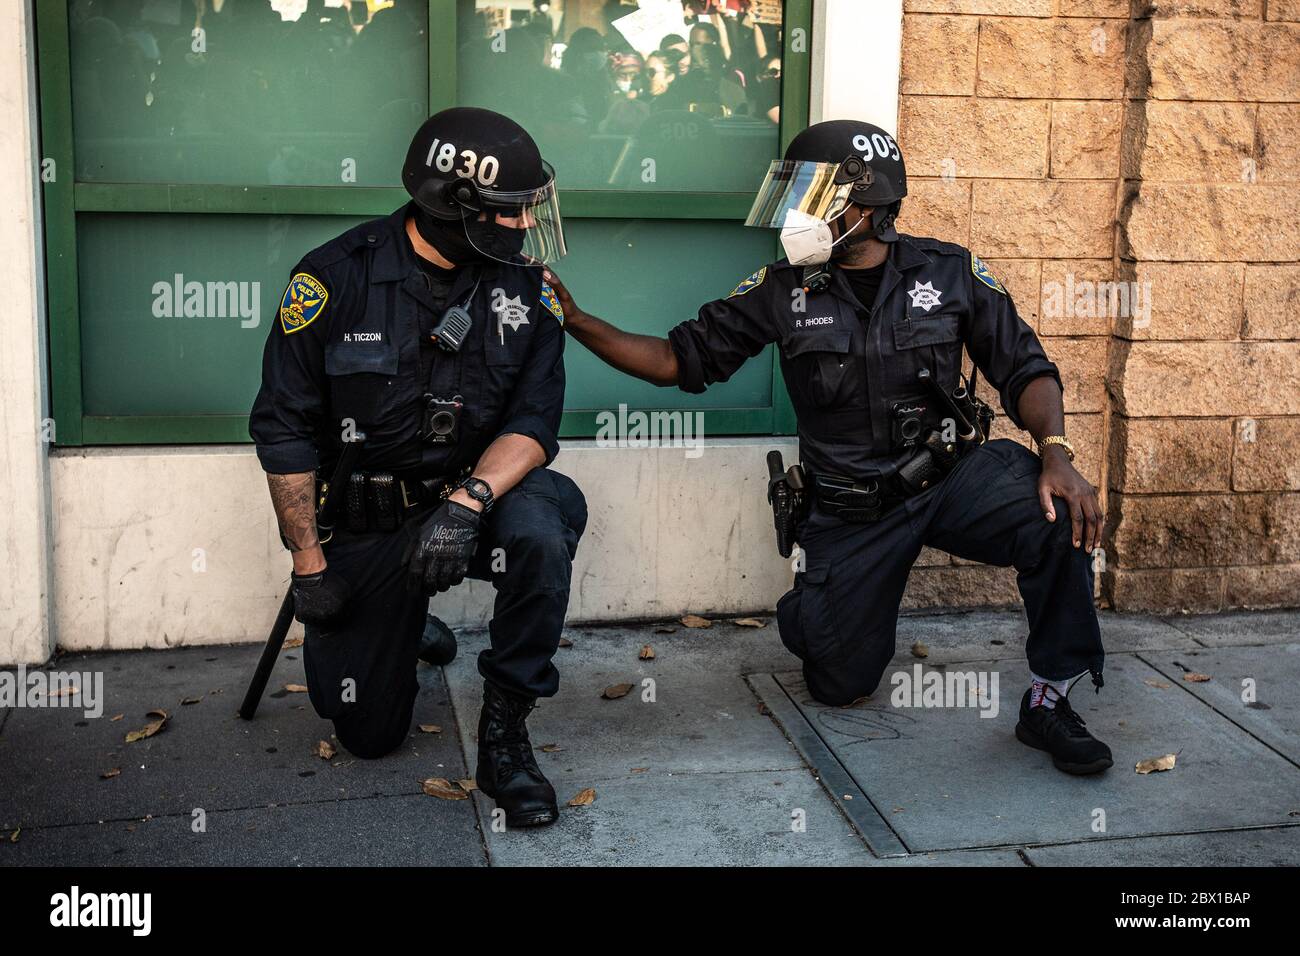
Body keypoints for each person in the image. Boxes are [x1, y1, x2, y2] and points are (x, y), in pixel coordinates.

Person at [544, 120, 1113, 776]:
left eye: (812, 198)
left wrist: (1057, 454)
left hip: (952, 476)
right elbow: (678, 359)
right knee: (838, 682)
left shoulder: (949, 272)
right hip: (854, 506)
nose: (795, 213)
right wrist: (579, 320)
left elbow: (1025, 367)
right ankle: (817, 601)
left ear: (865, 210)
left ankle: (1051, 699)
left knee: (1058, 515)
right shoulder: (782, 290)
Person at [249, 108, 587, 825]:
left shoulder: (526, 289)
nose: (524, 226)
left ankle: (506, 731)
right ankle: (401, 627)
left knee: (544, 525)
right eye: (508, 212)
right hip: (369, 518)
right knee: (367, 734)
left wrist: (468, 503)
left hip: (475, 500)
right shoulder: (332, 280)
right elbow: (283, 429)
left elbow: (534, 424)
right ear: (454, 206)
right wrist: (309, 566)